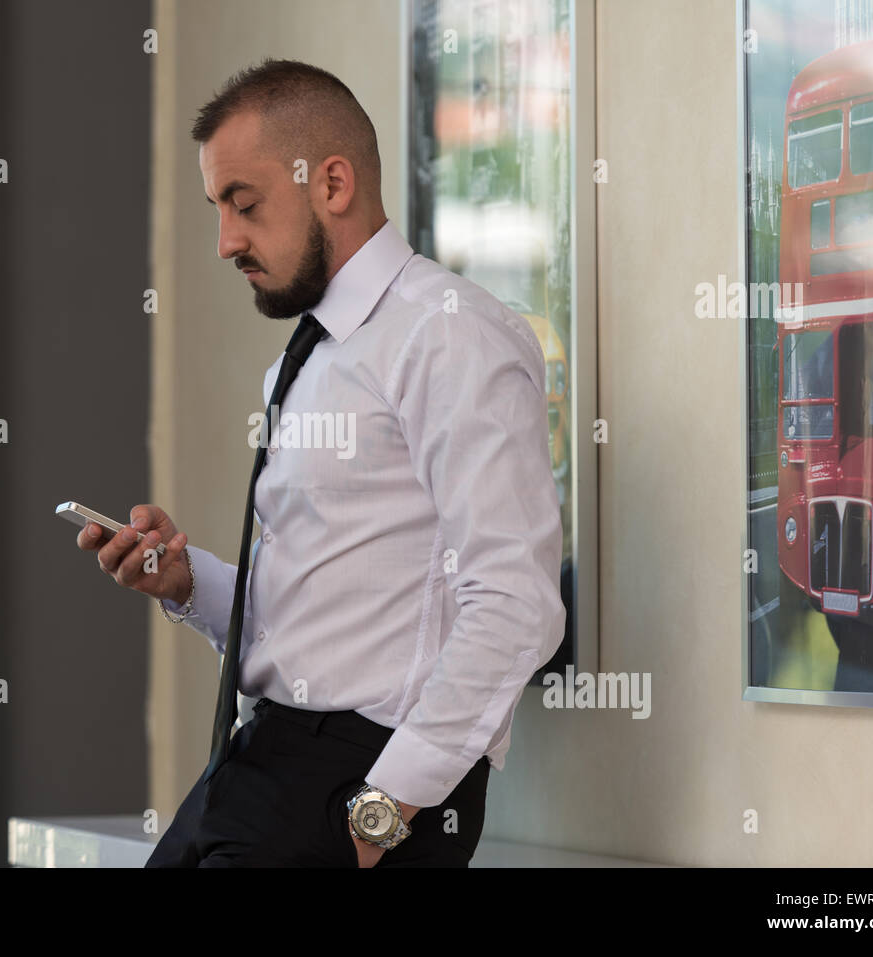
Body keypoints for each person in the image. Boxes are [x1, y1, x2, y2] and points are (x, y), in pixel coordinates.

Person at [76, 58, 565, 867]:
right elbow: (321, 621)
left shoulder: (450, 335)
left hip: (354, 788)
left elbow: (516, 602)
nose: (226, 240)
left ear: (331, 182)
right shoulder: (304, 363)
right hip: (254, 765)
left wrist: (381, 814)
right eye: (218, 209)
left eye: (244, 204)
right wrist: (186, 580)